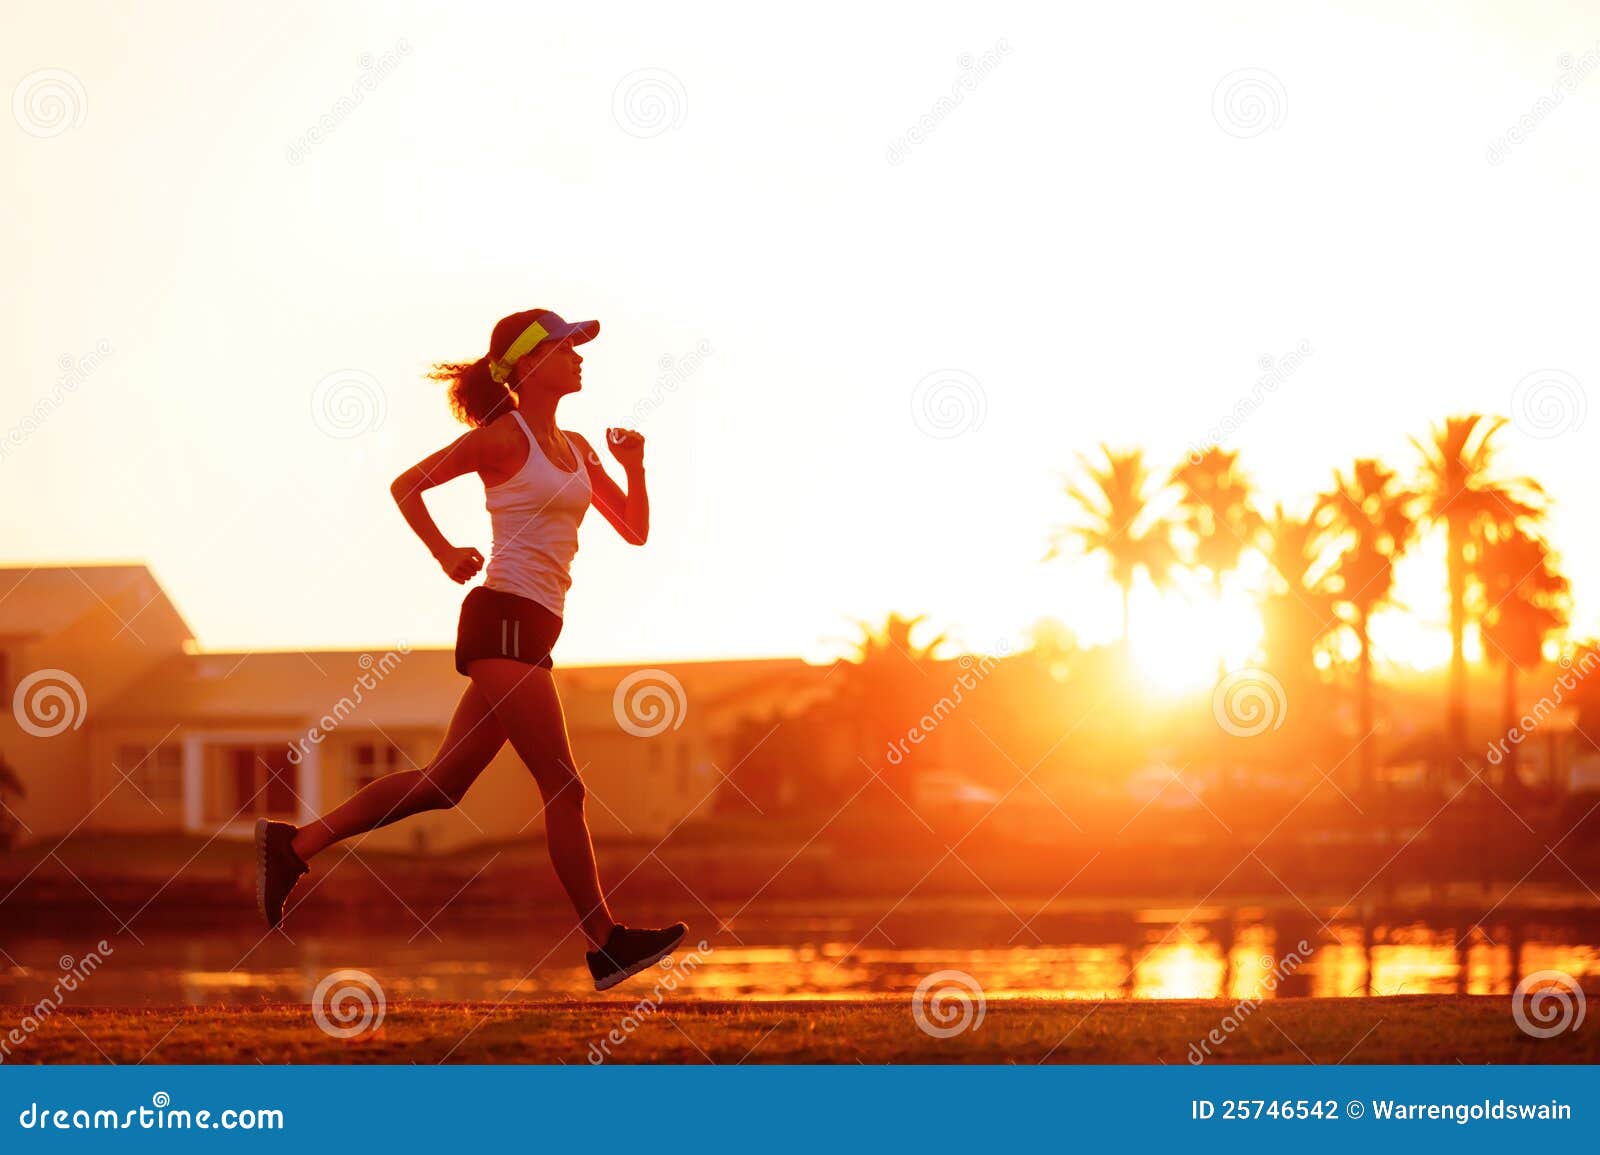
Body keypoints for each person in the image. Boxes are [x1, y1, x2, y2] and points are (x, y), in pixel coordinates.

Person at [255, 308, 686, 992]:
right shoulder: (500, 440)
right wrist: (445, 551)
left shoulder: (575, 445)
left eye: (578, 345)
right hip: (502, 622)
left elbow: (632, 529)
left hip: (533, 630)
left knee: (443, 784)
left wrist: (635, 468)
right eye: (565, 345)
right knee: (564, 785)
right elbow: (407, 485)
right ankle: (606, 942)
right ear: (526, 366)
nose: (580, 354)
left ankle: (295, 843)